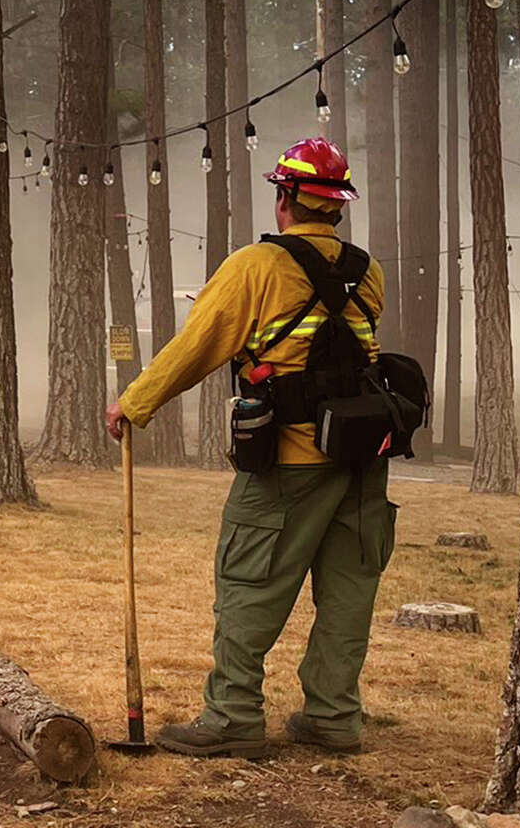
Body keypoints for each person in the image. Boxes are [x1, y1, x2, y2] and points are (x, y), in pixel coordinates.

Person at [104, 136, 393, 759]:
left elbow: (196, 347)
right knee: (348, 591)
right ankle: (334, 717)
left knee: (247, 581)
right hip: (364, 461)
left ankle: (233, 716)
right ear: (337, 205)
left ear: (285, 197)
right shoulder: (368, 272)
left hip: (289, 462)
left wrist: (134, 403)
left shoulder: (255, 267)